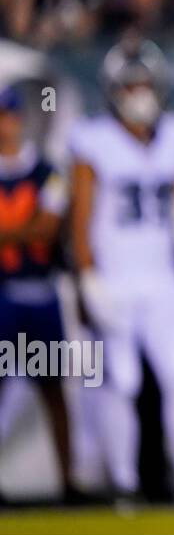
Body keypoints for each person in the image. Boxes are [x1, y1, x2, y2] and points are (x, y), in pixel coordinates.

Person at [68, 38, 174, 502]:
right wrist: (88, 275)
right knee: (122, 381)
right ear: (114, 89)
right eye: (130, 84)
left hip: (163, 277)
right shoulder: (94, 141)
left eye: (145, 83)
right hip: (115, 275)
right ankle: (125, 485)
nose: (139, 92)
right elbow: (82, 217)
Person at [0, 85, 74, 500]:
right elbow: (39, 224)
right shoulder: (44, 175)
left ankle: (68, 481)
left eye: (8, 115)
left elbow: (48, 227)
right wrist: (25, 231)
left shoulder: (48, 171)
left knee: (53, 389)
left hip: (41, 293)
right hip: (4, 294)